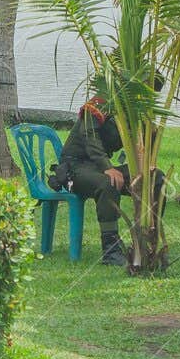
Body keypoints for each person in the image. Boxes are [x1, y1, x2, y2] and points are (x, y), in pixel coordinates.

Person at [59, 95, 132, 266]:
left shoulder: (139, 110)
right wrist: (107, 166)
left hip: (101, 167)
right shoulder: (100, 102)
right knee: (108, 182)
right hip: (76, 166)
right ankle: (111, 251)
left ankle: (146, 243)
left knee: (155, 179)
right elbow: (90, 137)